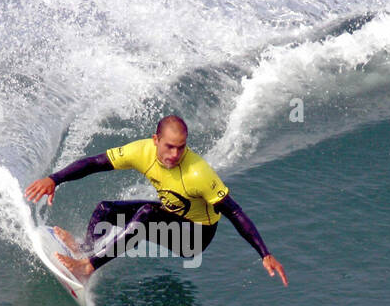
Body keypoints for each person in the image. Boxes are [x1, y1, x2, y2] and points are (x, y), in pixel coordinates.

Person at [23, 115, 288, 286]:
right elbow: (95, 163)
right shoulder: (141, 151)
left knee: (148, 214)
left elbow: (235, 212)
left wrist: (264, 253)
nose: (175, 154)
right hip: (172, 214)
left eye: (181, 147)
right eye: (169, 146)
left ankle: (87, 267)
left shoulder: (198, 173)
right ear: (156, 140)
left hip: (194, 237)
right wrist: (54, 179)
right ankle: (84, 248)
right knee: (105, 209)